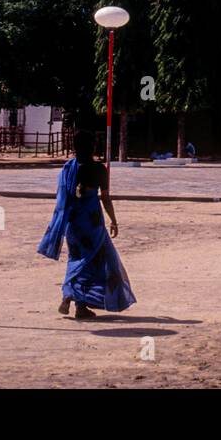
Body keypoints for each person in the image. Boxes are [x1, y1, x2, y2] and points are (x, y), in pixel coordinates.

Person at [37, 131, 136, 319]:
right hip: (92, 223)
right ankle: (73, 297)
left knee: (76, 259)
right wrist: (113, 220)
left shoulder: (68, 168)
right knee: (98, 260)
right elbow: (105, 198)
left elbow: (62, 198)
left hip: (72, 223)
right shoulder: (99, 169)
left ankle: (76, 301)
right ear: (93, 146)